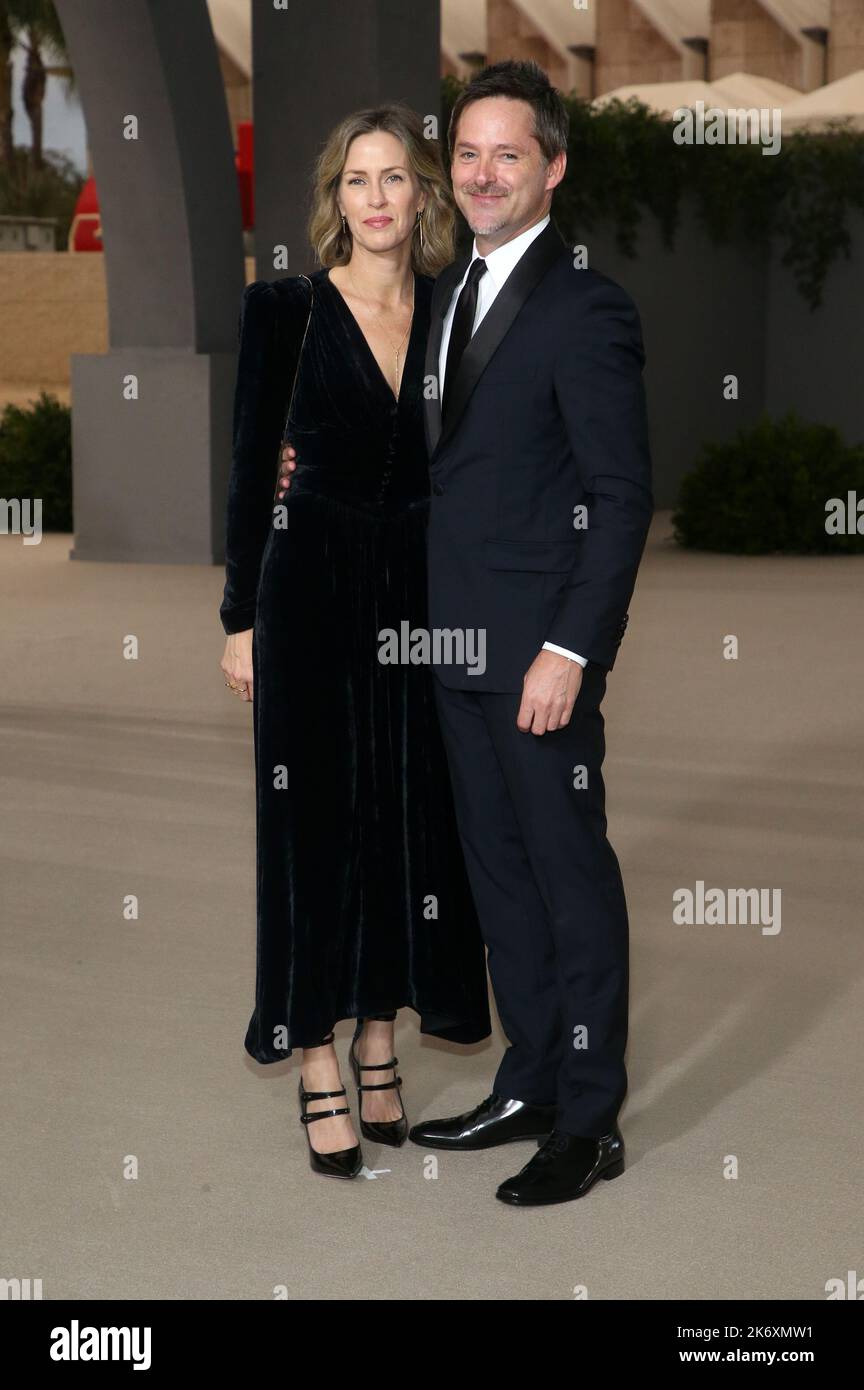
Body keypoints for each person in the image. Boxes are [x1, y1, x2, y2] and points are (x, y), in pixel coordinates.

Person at [279, 61, 653, 1207]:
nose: (486, 173)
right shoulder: (443, 296)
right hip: (449, 650)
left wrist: (572, 651)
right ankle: (531, 1077)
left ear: (553, 166)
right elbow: (424, 466)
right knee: (496, 878)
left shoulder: (588, 307)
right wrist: (312, 468)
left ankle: (589, 1120)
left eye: (511, 153)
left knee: (569, 879)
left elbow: (620, 493)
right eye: (472, 153)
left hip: (540, 656)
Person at [219, 104, 491, 1181]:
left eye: (393, 179)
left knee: (405, 821)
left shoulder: (455, 312)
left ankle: (382, 1038)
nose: (375, 200)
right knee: (311, 828)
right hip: (310, 591)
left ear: (424, 196)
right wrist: (240, 617)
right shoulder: (284, 310)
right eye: (355, 182)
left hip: (419, 596)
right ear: (335, 201)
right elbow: (250, 475)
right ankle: (315, 1055)